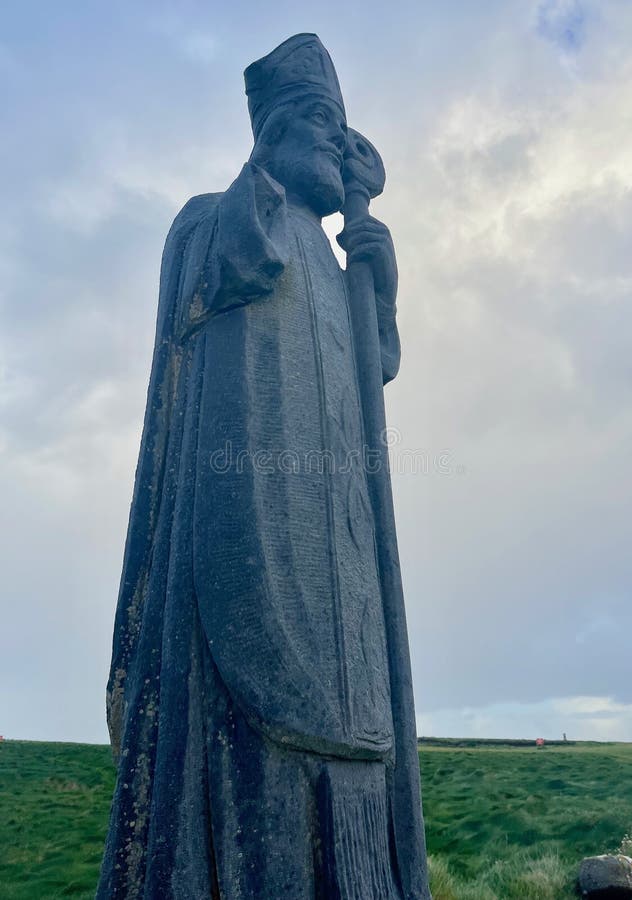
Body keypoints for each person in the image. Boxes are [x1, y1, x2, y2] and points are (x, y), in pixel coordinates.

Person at [97, 33, 430, 899]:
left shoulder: (338, 261)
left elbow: (373, 373)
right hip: (244, 537)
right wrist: (284, 184)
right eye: (321, 125)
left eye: (344, 132)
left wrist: (379, 287)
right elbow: (222, 268)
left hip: (342, 564)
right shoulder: (214, 214)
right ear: (269, 134)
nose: (337, 146)